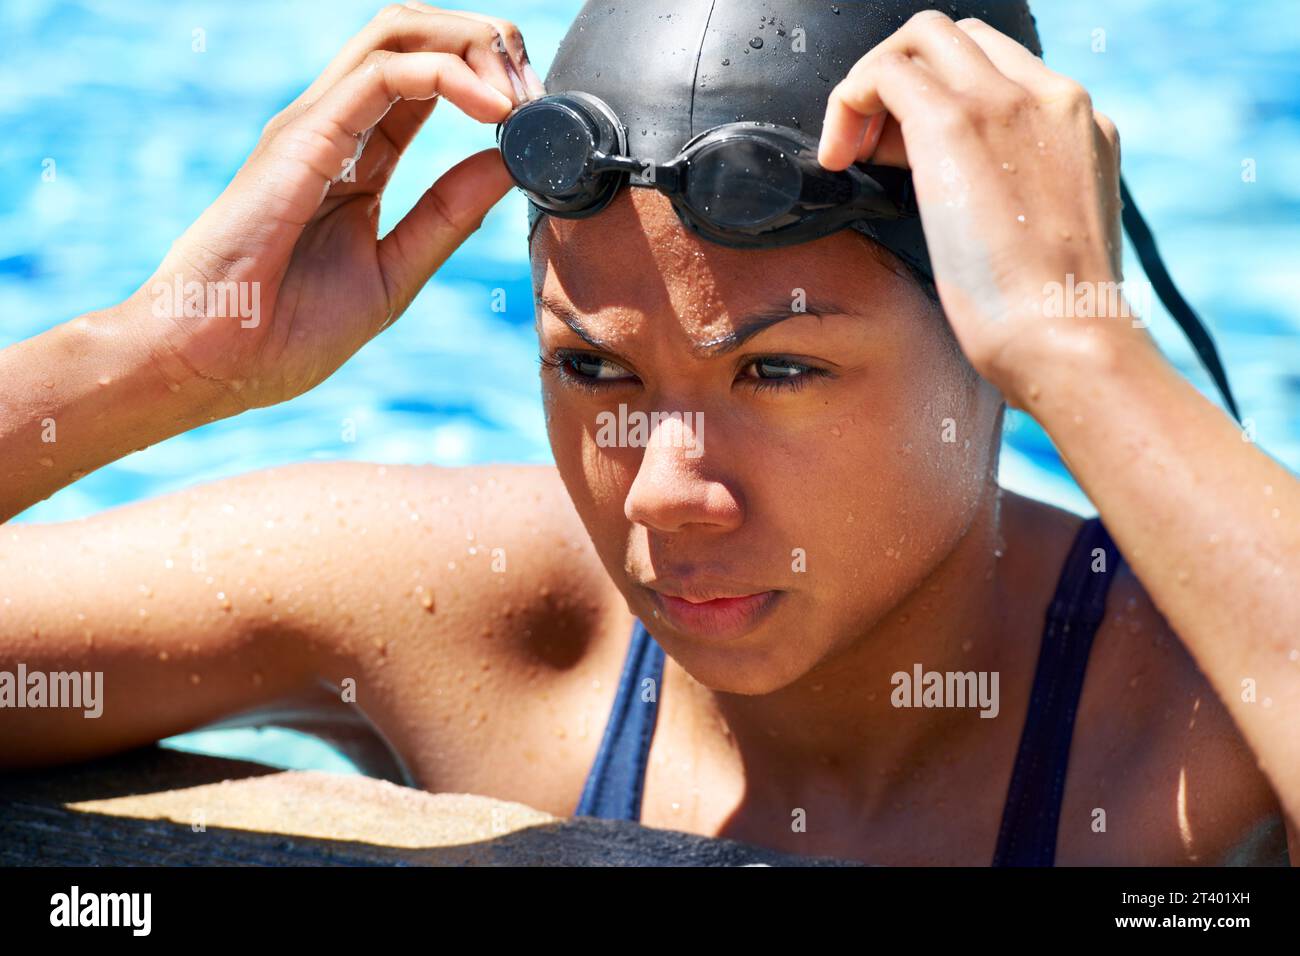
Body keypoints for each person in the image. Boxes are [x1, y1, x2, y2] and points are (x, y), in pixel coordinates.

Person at [1, 1, 1296, 866]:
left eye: (780, 367)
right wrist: (151, 364)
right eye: (593, 368)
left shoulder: (1194, 712)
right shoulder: (475, 609)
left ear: (992, 348)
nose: (664, 496)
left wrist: (1085, 347)